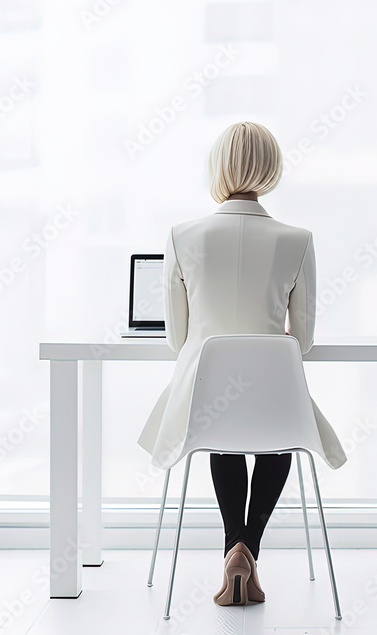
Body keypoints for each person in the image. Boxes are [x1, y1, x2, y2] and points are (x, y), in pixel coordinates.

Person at [136, 121, 347, 607]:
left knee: (222, 435)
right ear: (271, 169)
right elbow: (305, 340)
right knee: (276, 444)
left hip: (206, 403)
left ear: (218, 167)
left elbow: (176, 339)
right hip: (276, 399)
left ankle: (235, 549)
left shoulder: (183, 235)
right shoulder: (296, 239)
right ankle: (247, 549)